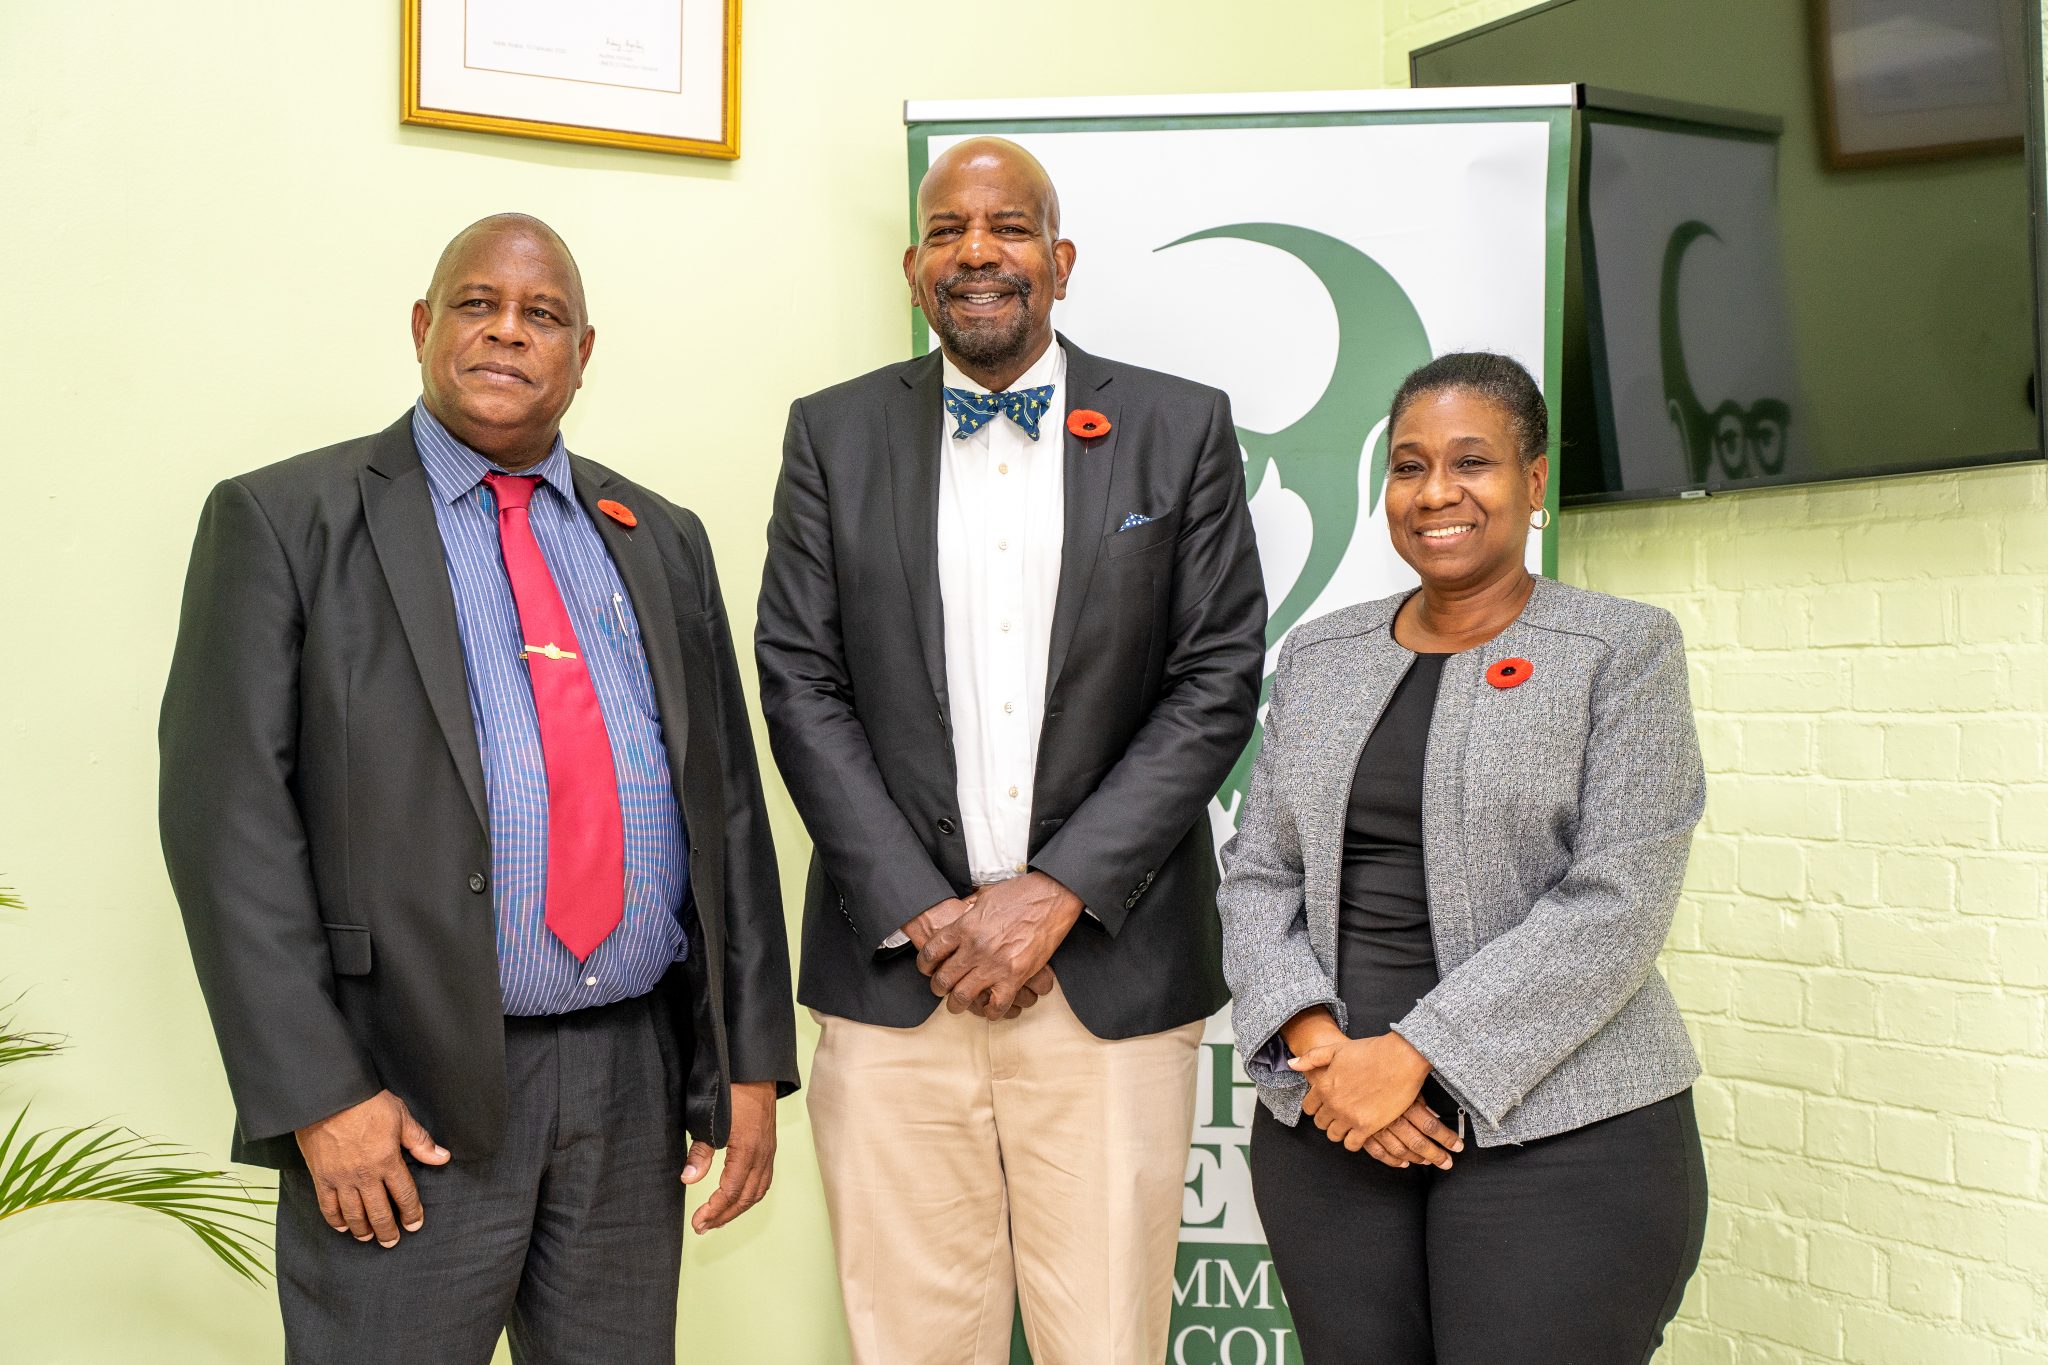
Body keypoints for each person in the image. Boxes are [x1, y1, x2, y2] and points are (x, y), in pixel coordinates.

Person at [159, 213, 796, 1363]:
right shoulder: (285, 522)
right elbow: (227, 830)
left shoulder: (657, 537)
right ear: (422, 326)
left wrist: (747, 1062)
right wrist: (318, 1097)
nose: (508, 332)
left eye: (541, 314)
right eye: (476, 305)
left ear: (583, 351)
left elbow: (728, 816)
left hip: (630, 1083)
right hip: (400, 1098)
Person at [755, 137, 1265, 1365]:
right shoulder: (831, 435)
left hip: (1105, 978)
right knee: (913, 1341)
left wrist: (1054, 896)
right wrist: (925, 911)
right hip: (893, 985)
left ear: (1061, 258)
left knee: (1106, 1339)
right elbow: (798, 678)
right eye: (947, 229)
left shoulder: (1175, 428)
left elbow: (1214, 679)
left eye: (1010, 226)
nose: (977, 251)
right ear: (912, 266)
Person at [1218, 351, 1709, 1364]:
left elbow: (1616, 900)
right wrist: (1322, 1056)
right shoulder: (1321, 653)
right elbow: (1259, 869)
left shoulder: (1619, 649)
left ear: (1531, 484)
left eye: (1470, 462)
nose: (1434, 492)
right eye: (1407, 466)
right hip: (1332, 1128)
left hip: (1563, 1140)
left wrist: (1412, 1060)